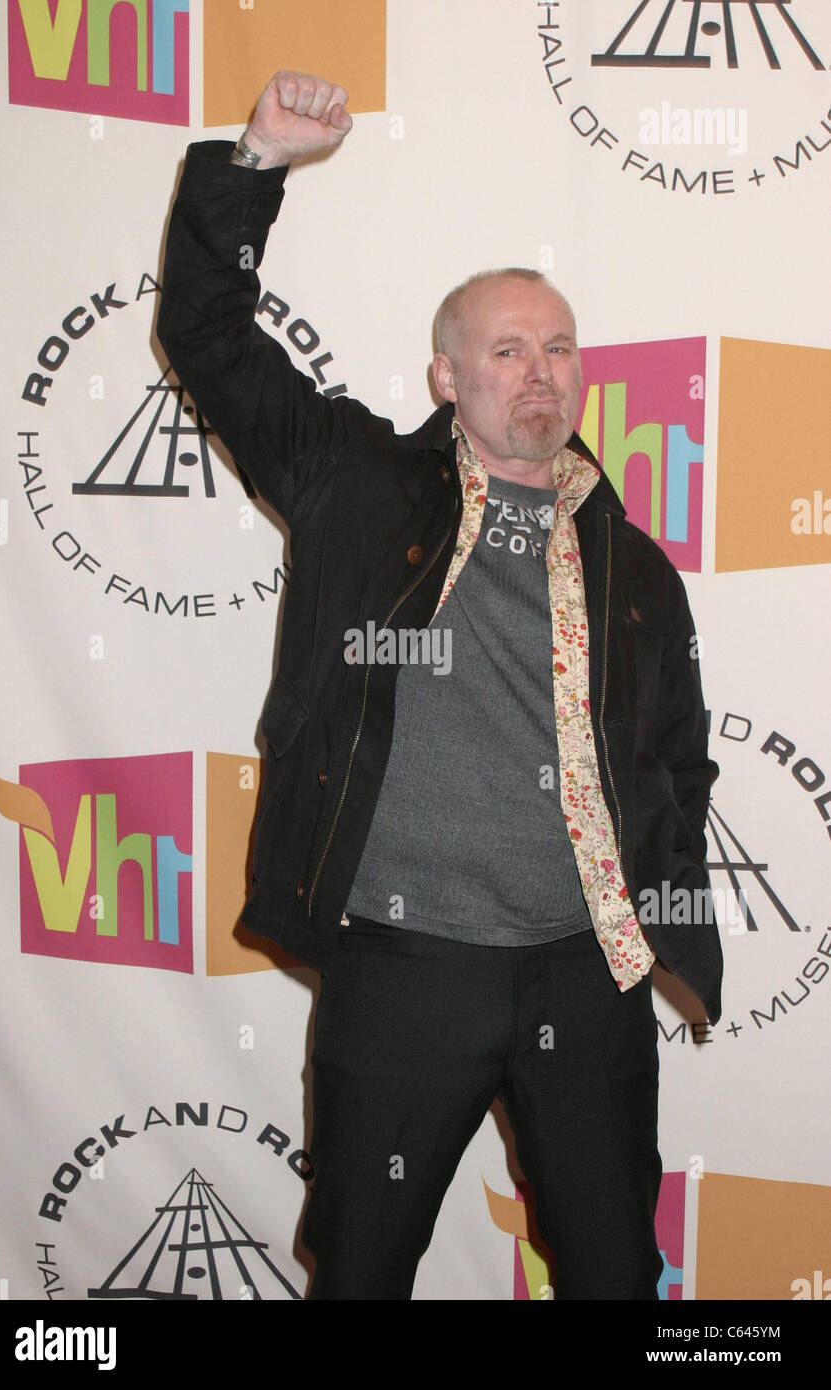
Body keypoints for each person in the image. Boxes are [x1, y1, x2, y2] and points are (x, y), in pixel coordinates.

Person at [157, 71, 723, 1300]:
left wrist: (650, 918)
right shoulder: (356, 485)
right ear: (444, 377)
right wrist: (251, 166)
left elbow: (676, 757)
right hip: (404, 968)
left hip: (586, 967)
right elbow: (206, 337)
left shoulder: (633, 566)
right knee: (361, 1272)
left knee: (617, 1271)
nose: (539, 371)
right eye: (505, 348)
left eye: (557, 347)